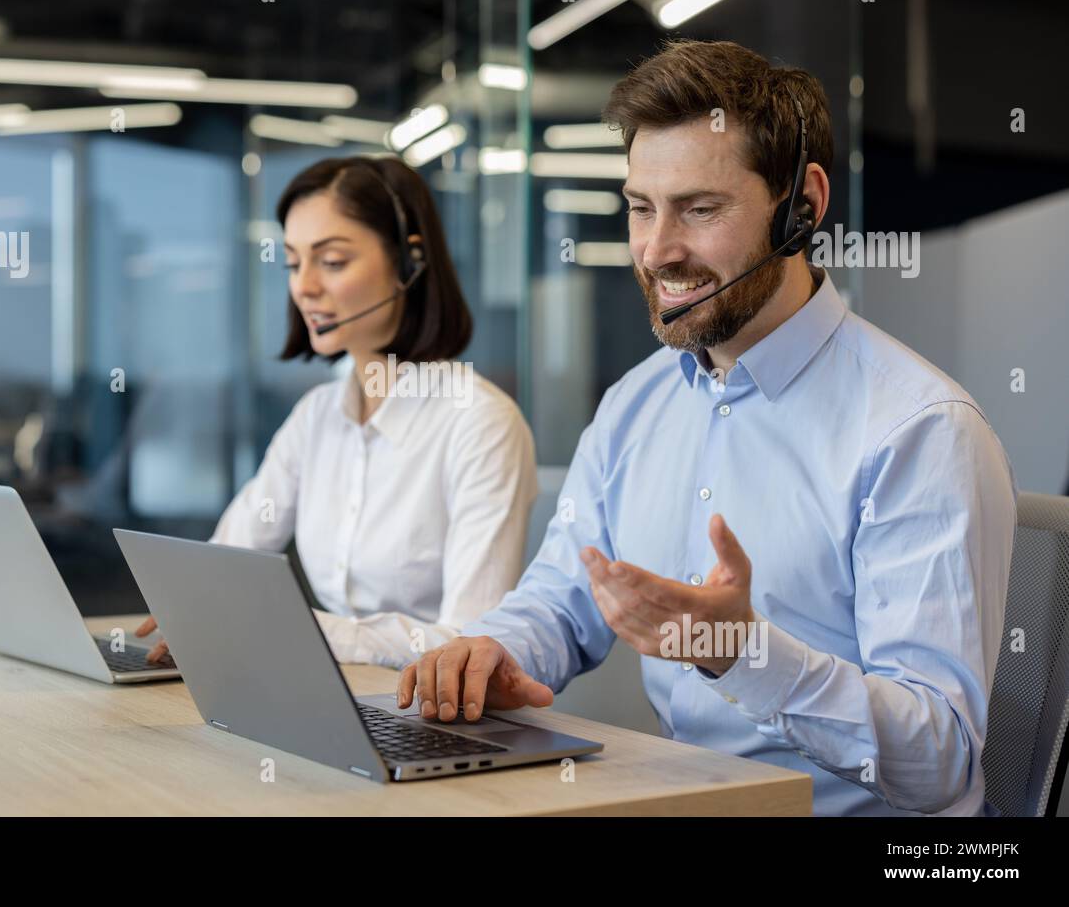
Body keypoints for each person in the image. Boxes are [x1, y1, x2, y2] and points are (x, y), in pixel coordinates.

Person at [397, 40, 1017, 816]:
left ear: (804, 206)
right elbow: (563, 594)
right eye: (639, 207)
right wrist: (494, 650)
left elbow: (939, 764)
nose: (658, 251)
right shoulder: (635, 403)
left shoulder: (919, 430)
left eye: (700, 208)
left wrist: (741, 651)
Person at [138, 156, 537, 668]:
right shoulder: (316, 416)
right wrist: (194, 605)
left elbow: (467, 640)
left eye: (331, 261)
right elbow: (229, 559)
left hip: (433, 715)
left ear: (408, 265)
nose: (303, 286)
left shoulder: (480, 423)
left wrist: (297, 630)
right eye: (293, 262)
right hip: (333, 693)